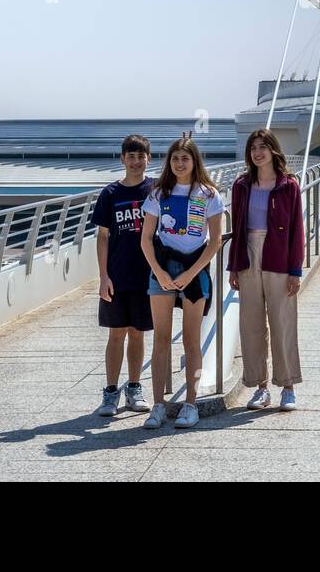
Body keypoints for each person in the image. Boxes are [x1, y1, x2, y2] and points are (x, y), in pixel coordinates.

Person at [140, 135, 224, 430]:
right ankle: (157, 406)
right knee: (161, 339)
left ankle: (191, 403)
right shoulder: (158, 193)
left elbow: (214, 241)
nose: (179, 163)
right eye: (175, 158)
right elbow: (146, 239)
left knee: (191, 340)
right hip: (163, 266)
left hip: (194, 268)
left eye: (185, 158)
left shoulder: (209, 194)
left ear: (194, 161)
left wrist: (191, 273)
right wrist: (159, 272)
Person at [228, 128, 304, 411]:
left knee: (283, 322)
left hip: (279, 258)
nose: (257, 153)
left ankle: (287, 385)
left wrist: (295, 270)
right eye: (253, 148)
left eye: (262, 147)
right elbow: (236, 230)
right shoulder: (241, 186)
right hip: (248, 254)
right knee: (251, 324)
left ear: (273, 150)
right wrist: (233, 267)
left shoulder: (289, 186)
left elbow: (297, 230)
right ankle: (260, 388)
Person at [91, 134, 156, 416]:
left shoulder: (155, 190)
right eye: (131, 156)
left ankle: (134, 387)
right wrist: (103, 276)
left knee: (138, 334)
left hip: (146, 275)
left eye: (141, 156)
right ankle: (110, 392)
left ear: (148, 159)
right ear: (122, 159)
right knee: (116, 334)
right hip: (117, 275)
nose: (136, 161)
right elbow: (103, 237)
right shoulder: (110, 194)